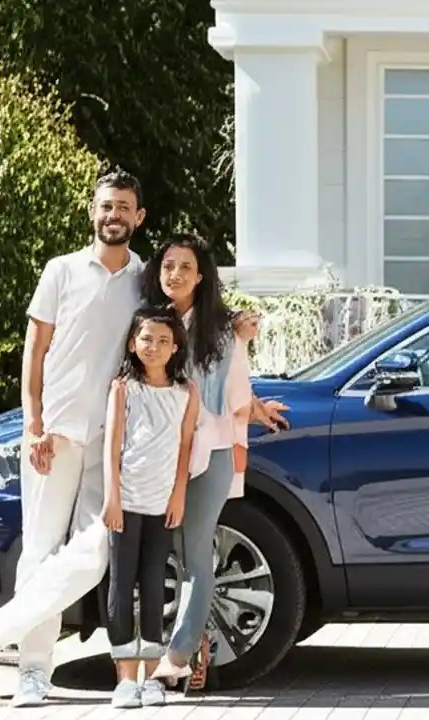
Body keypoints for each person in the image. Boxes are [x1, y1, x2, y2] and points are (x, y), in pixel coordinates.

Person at [0, 171, 281, 709]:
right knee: (39, 552)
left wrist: (242, 343)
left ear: (138, 217)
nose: (114, 215)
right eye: (106, 206)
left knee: (92, 557)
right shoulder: (60, 271)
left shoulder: (142, 281)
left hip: (117, 446)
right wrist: (33, 424)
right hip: (56, 435)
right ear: (93, 212)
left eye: (124, 207)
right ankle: (32, 671)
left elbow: (187, 339)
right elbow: (33, 353)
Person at [138, 234, 253, 691]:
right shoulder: (149, 323)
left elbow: (235, 393)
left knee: (195, 551)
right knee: (166, 552)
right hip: (160, 453)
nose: (175, 275)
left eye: (185, 267)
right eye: (168, 266)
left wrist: (255, 408)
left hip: (212, 449)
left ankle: (178, 654)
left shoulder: (221, 329)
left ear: (201, 277)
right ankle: (193, 643)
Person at [101, 306, 199, 708]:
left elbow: (185, 446)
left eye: (162, 341)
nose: (154, 347)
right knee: (121, 582)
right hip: (126, 500)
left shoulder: (186, 392)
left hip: (162, 501)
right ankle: (125, 676)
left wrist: (178, 495)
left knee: (156, 582)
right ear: (132, 343)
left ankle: (154, 674)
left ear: (175, 347)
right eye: (146, 339)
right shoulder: (123, 388)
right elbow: (112, 445)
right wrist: (112, 496)